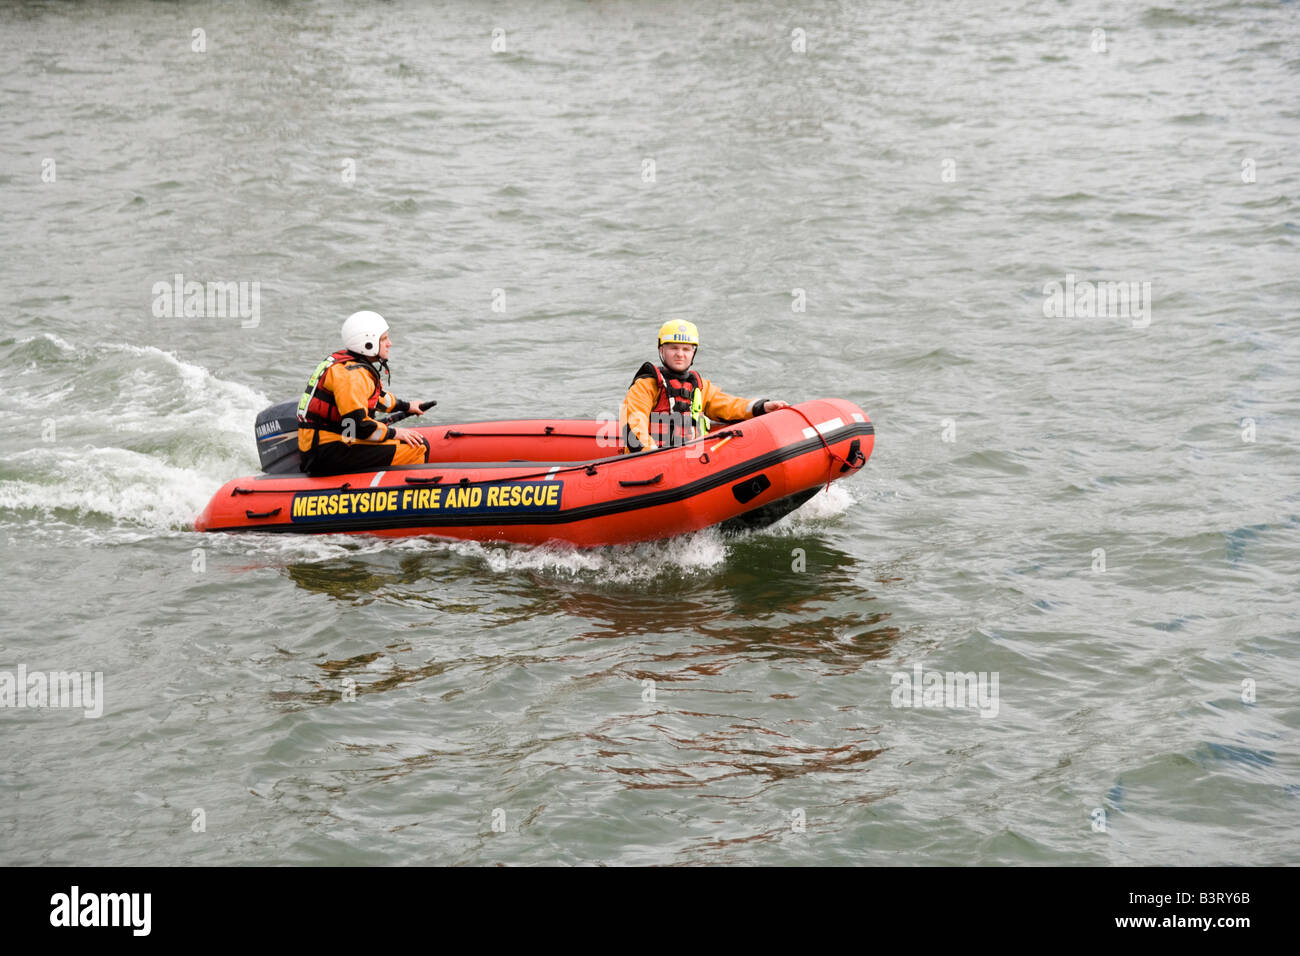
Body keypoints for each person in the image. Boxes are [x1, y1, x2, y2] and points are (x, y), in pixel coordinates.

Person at [619, 319, 790, 453]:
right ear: (662, 351)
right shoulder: (646, 385)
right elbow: (634, 423)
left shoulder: (699, 386)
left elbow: (728, 406)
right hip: (652, 459)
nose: (680, 354)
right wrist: (652, 455)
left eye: (686, 349)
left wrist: (762, 406)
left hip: (691, 457)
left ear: (693, 352)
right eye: (674, 348)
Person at [297, 310, 430, 476]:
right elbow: (358, 426)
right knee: (417, 448)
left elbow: (376, 399)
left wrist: (408, 406)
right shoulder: (351, 377)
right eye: (383, 339)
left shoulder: (350, 365)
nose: (389, 343)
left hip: (331, 442)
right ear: (367, 343)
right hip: (328, 451)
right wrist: (395, 433)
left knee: (413, 442)